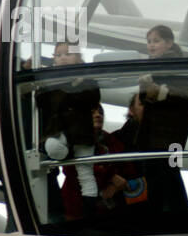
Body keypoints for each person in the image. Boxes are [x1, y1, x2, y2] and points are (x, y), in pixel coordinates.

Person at [35, 42, 101, 224]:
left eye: (67, 54)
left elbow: (92, 99)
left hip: (80, 133)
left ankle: (90, 215)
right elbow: (41, 103)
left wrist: (71, 88)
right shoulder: (50, 80)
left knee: (86, 174)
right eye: (58, 55)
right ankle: (63, 157)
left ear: (79, 57)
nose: (62, 57)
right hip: (59, 131)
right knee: (52, 147)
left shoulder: (87, 79)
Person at [45, 105, 140, 222]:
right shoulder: (72, 140)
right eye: (92, 112)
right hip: (76, 206)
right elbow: (72, 170)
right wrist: (111, 177)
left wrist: (119, 184)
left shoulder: (112, 140)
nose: (98, 115)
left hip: (110, 210)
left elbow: (129, 171)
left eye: (100, 112)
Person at [136, 25, 188, 215]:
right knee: (162, 175)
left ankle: (178, 214)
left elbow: (184, 96)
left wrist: (159, 92)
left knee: (169, 174)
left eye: (156, 41)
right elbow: (144, 98)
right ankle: (168, 215)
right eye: (149, 41)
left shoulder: (178, 65)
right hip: (159, 135)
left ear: (169, 43)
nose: (151, 46)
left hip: (172, 136)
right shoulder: (152, 68)